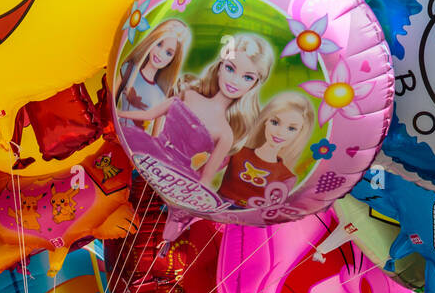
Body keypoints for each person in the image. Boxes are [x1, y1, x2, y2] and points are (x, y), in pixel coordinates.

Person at [117, 32, 275, 189]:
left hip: (175, 175)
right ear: (220, 67)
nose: (234, 80)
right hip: (150, 151)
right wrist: (117, 114)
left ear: (254, 85)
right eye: (230, 68)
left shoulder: (226, 134)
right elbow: (149, 115)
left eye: (247, 77)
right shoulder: (189, 95)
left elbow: (205, 179)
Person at [217, 90, 315, 206]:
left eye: (291, 129)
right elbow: (203, 171)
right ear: (265, 121)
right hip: (216, 206)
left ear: (299, 134)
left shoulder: (286, 177)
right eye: (275, 122)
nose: (280, 132)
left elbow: (271, 210)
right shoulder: (237, 150)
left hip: (246, 219)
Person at [114, 19, 192, 130]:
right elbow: (111, 100)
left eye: (168, 53)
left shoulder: (162, 95)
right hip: (114, 134)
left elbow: (155, 136)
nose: (160, 54)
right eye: (159, 44)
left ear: (173, 60)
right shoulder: (129, 70)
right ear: (153, 40)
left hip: (139, 144)